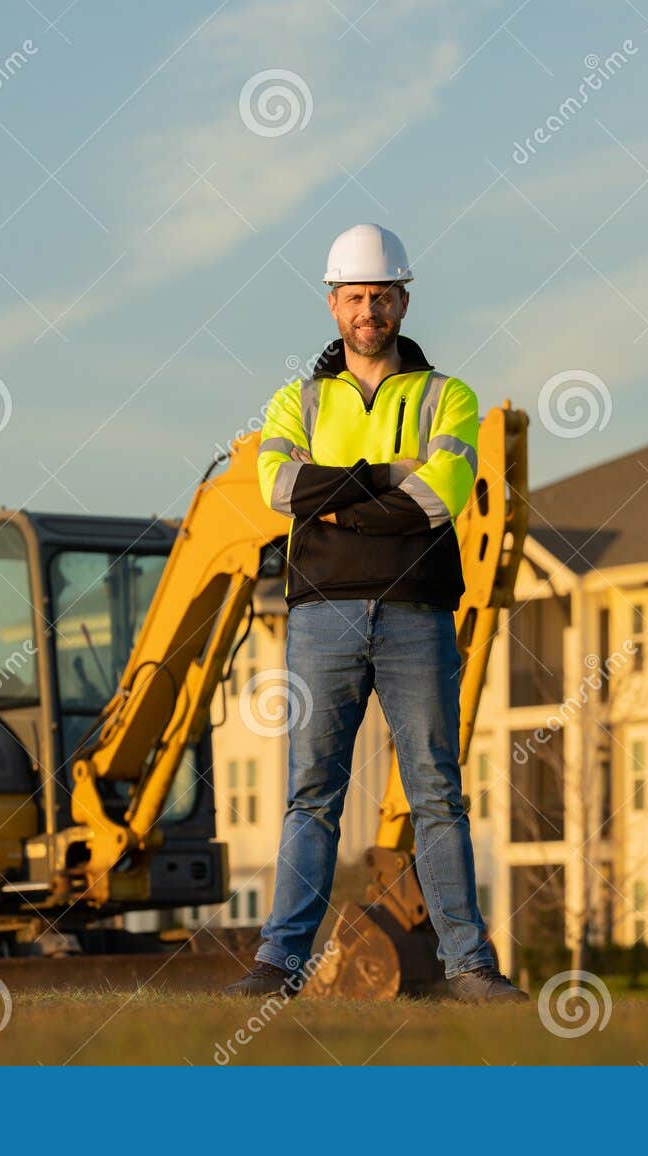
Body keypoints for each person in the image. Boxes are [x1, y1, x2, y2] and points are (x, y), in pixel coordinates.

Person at [223, 223, 525, 1004]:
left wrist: (336, 499)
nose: (369, 310)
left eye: (381, 296)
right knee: (311, 794)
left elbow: (439, 498)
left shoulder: (447, 396)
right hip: (320, 616)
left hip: (417, 612)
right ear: (333, 303)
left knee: (436, 792)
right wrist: (388, 478)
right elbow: (278, 488)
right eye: (355, 296)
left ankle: (469, 968)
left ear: (404, 301)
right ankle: (278, 965)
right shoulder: (295, 400)